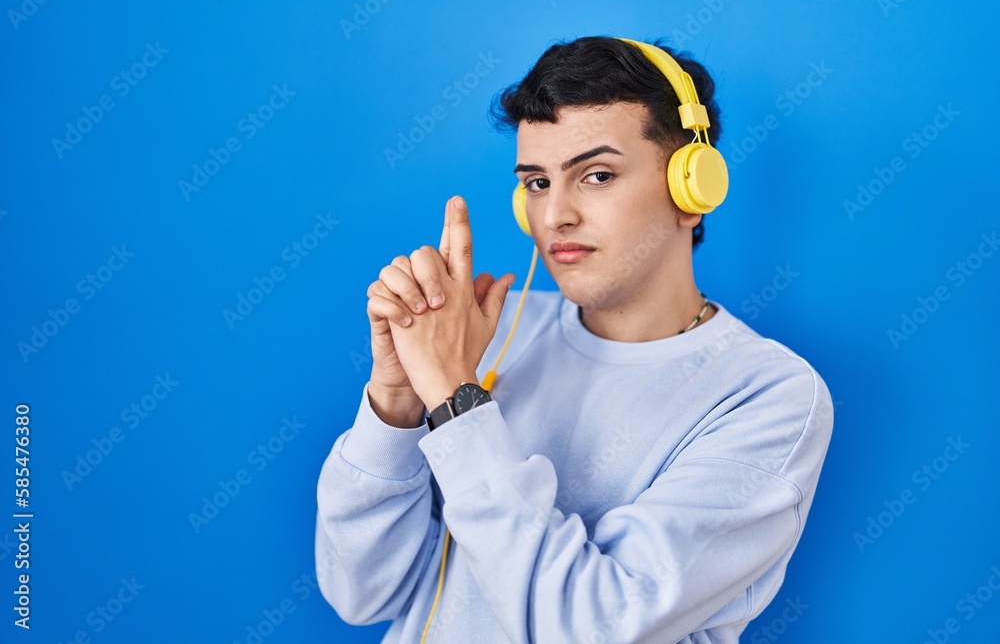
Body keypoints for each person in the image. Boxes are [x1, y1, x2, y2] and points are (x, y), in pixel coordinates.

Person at [314, 35, 834, 643]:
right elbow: (363, 593)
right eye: (537, 182)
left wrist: (456, 402)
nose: (556, 214)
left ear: (692, 190)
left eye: (597, 175)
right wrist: (397, 408)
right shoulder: (485, 333)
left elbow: (590, 628)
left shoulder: (769, 397)